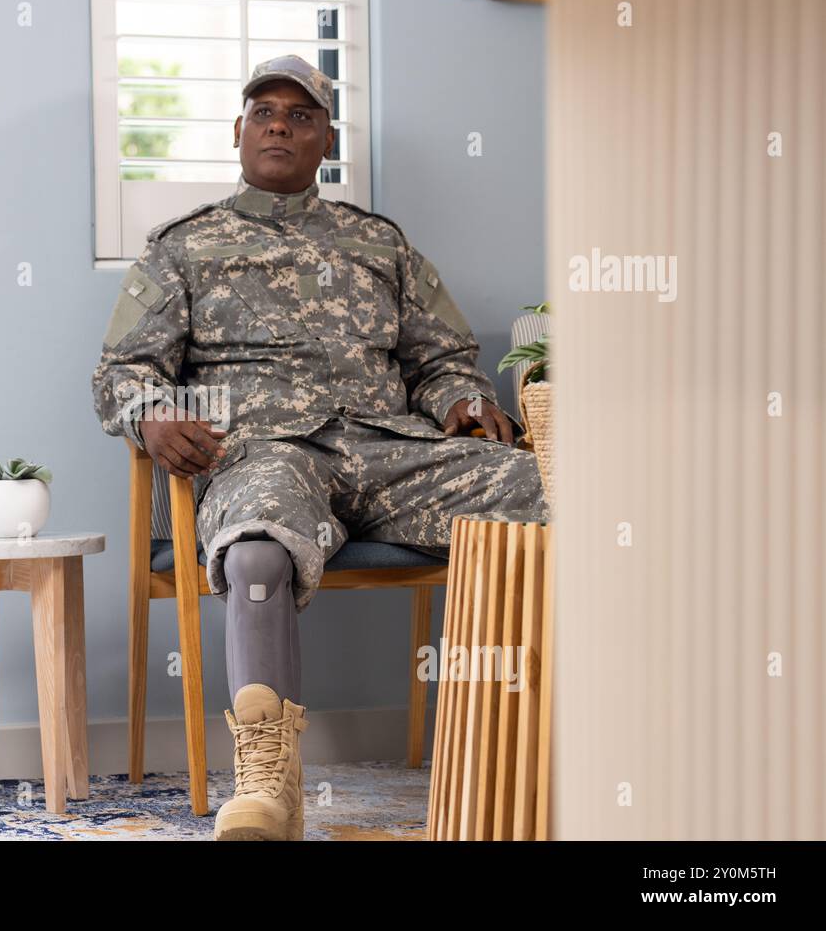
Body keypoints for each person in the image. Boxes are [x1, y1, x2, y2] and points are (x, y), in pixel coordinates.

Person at [90, 54, 548, 841]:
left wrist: (466, 402)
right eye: (264, 111)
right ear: (238, 131)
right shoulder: (183, 247)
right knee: (257, 552)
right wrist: (153, 415)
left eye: (300, 115)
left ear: (324, 138)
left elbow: (440, 360)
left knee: (552, 491)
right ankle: (266, 783)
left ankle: (571, 743)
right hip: (263, 453)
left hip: (388, 448)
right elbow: (121, 372)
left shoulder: (380, 244)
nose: (279, 123)